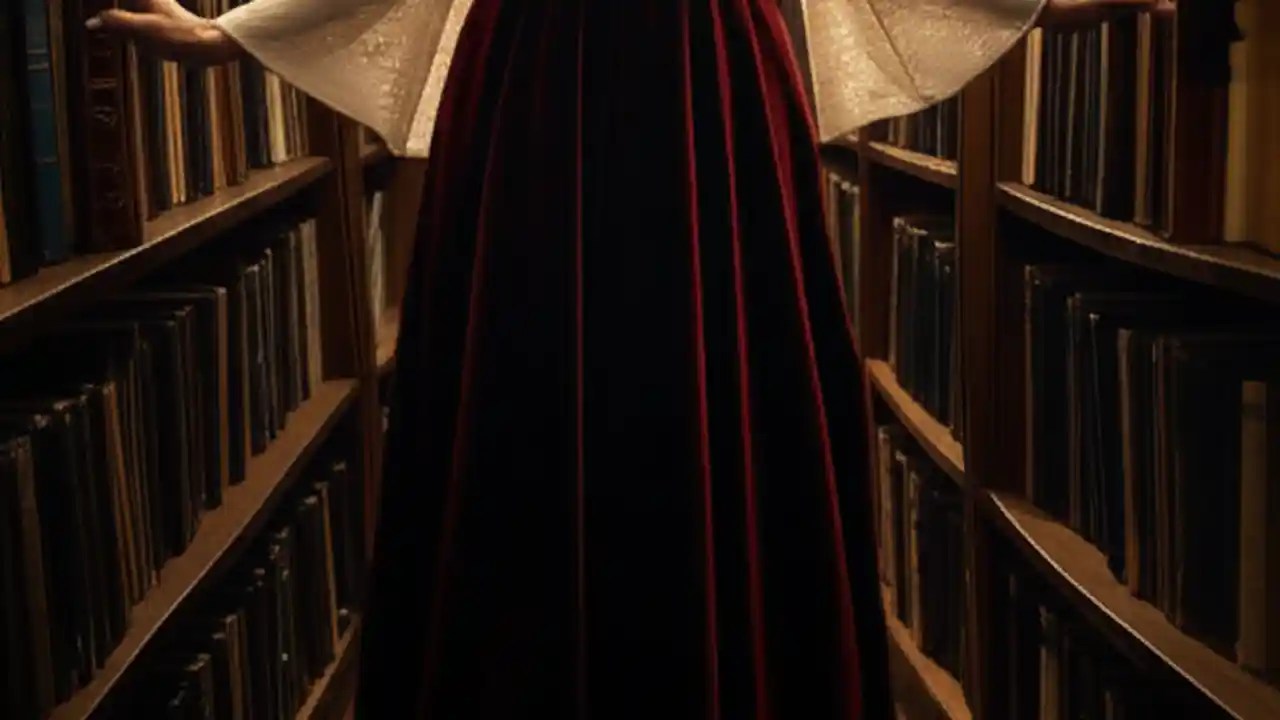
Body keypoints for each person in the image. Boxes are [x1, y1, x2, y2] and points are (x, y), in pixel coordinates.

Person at [94, 0, 1165, 716]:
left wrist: (1036, 2)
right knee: (529, 409)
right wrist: (232, 35)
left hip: (688, 90)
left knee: (707, 401)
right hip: (552, 96)